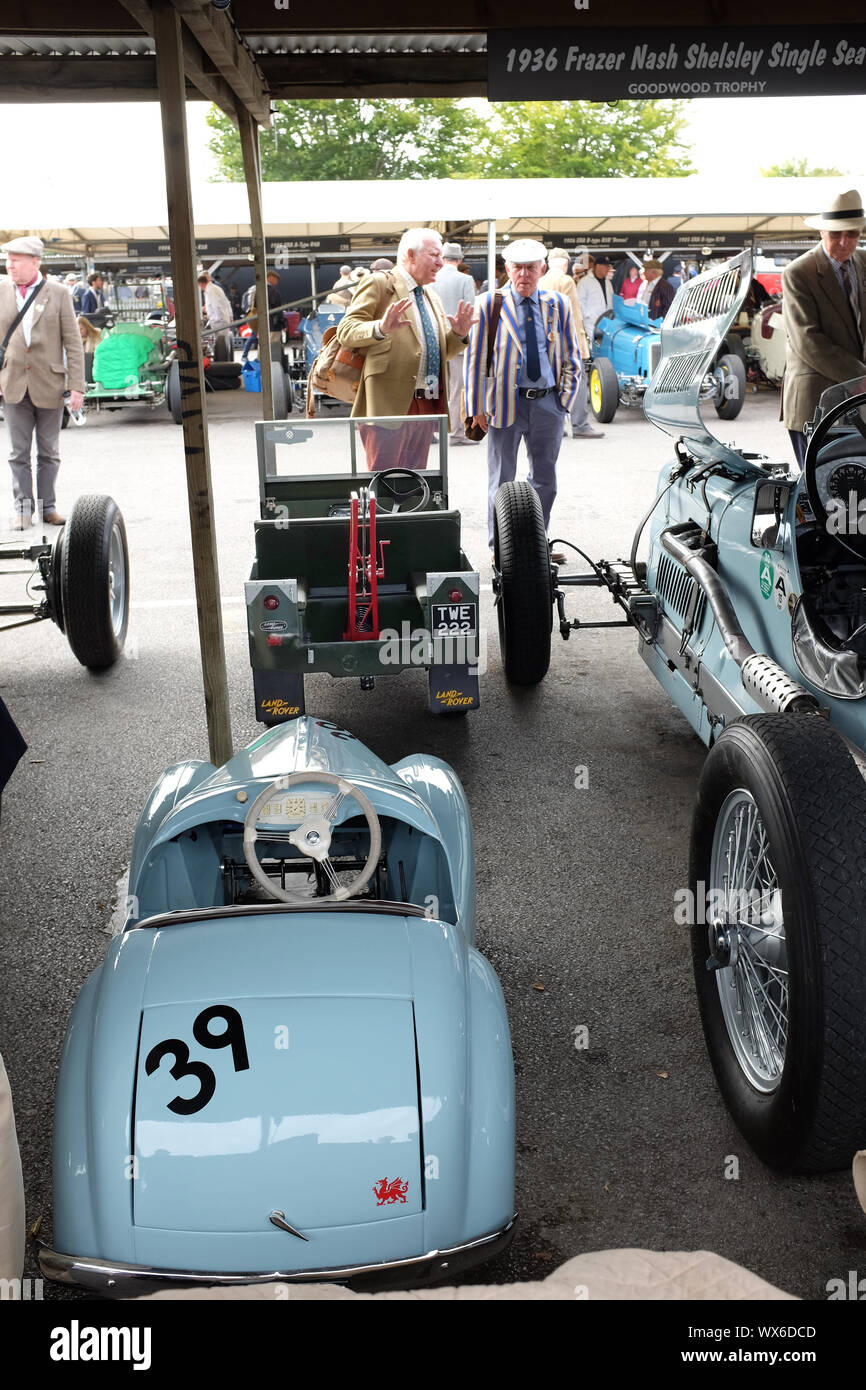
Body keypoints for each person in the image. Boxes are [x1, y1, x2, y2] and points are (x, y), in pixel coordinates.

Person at [464, 237, 579, 553]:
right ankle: (499, 547)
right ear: (507, 269)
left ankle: (535, 543)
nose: (524, 275)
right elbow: (475, 361)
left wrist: (563, 403)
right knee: (501, 480)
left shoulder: (557, 304)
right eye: (518, 268)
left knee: (545, 479)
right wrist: (476, 408)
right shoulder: (490, 303)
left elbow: (571, 355)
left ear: (542, 269)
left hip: (547, 404)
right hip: (504, 405)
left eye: (531, 268)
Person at [336, 227, 473, 471]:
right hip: (388, 405)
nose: (441, 263)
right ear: (410, 254)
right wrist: (380, 328)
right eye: (434, 255)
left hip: (427, 404)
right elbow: (345, 330)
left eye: (441, 256)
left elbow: (443, 352)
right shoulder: (379, 283)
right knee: (385, 484)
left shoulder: (431, 295)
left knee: (416, 485)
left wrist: (460, 334)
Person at [0, 236, 84, 529]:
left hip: (49, 383)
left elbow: (73, 342)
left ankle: (48, 507)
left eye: (16, 259)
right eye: (8, 259)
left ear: (35, 262)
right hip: (12, 383)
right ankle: (23, 509)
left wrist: (77, 386)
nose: (10, 265)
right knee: (17, 453)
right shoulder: (1, 289)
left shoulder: (58, 293)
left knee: (49, 453)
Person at [782, 188, 866, 466]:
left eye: (852, 233)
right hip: (816, 401)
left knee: (855, 497)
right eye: (835, 234)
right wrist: (859, 378)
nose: (844, 242)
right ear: (821, 232)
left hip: (859, 402)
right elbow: (808, 340)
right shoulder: (798, 272)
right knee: (819, 494)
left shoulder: (864, 263)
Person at [539, 248, 603, 440]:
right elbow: (573, 314)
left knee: (551, 385)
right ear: (566, 264)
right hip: (566, 341)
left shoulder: (541, 280)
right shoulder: (566, 281)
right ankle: (580, 424)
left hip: (546, 342)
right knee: (578, 380)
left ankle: (555, 425)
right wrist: (581, 345)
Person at [433, 241, 478, 447]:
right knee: (457, 387)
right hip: (458, 343)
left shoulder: (431, 278)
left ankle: (434, 431)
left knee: (436, 388)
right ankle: (456, 434)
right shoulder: (465, 279)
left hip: (434, 342)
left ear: (442, 259)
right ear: (460, 260)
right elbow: (470, 312)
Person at [577, 253, 614, 351]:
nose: (608, 268)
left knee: (605, 347)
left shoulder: (608, 282)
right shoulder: (584, 282)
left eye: (609, 266)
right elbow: (579, 302)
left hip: (606, 322)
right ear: (598, 266)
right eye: (606, 266)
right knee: (595, 348)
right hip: (592, 322)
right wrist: (588, 316)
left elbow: (611, 300)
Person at [197, 271, 233, 360]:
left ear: (201, 283)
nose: (200, 288)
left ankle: (221, 362)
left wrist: (218, 318)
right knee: (223, 344)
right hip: (223, 319)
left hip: (218, 321)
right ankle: (223, 360)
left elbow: (216, 305)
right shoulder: (216, 288)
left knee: (220, 344)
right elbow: (225, 302)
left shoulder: (210, 290)